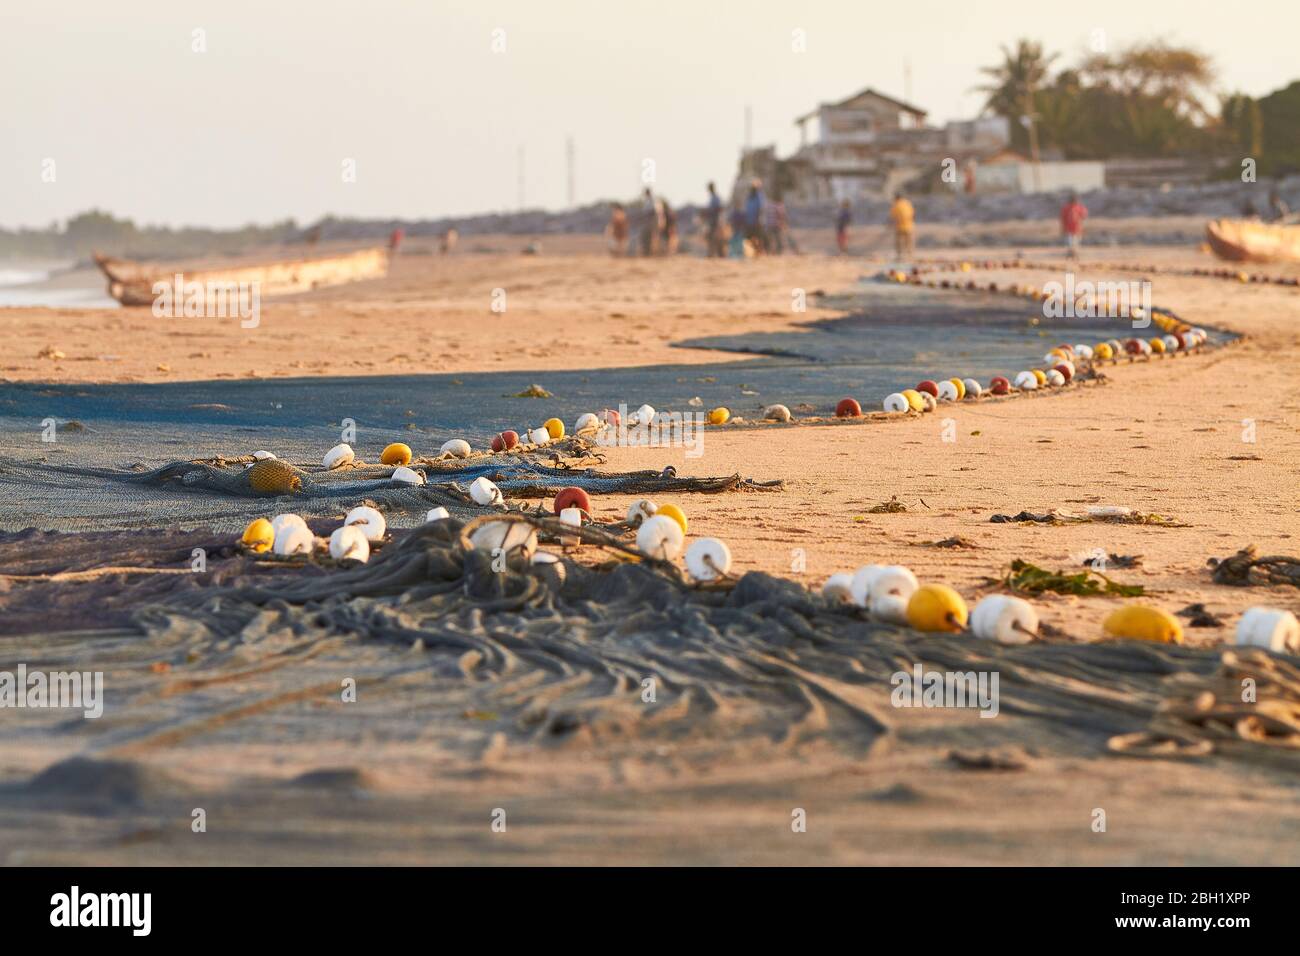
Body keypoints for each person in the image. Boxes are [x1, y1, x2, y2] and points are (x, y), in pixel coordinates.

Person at [1059, 192, 1088, 260]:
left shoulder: (1079, 207)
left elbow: (1084, 216)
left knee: (1075, 243)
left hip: (1077, 229)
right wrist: (1063, 228)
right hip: (1069, 229)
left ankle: (1074, 255)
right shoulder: (1066, 208)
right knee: (1070, 243)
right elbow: (1063, 219)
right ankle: (1071, 255)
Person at [889, 191, 915, 260]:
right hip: (909, 226)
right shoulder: (907, 203)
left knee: (899, 242)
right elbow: (912, 214)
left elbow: (893, 216)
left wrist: (890, 224)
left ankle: (900, 255)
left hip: (899, 226)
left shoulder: (896, 204)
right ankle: (910, 255)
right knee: (909, 241)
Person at [743, 179, 766, 254]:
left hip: (756, 221)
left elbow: (760, 209)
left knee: (758, 238)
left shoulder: (758, 196)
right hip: (750, 221)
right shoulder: (750, 197)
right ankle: (754, 252)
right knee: (750, 238)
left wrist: (758, 219)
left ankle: (759, 252)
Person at [704, 182, 725, 257]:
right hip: (712, 221)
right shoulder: (712, 198)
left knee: (717, 238)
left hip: (716, 221)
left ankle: (720, 254)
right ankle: (712, 254)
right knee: (711, 238)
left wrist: (715, 216)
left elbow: (719, 209)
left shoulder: (716, 198)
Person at [638, 188, 658, 256]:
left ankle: (652, 252)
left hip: (651, 220)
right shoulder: (646, 201)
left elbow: (653, 211)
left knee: (652, 236)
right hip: (647, 221)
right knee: (645, 236)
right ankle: (646, 252)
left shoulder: (652, 200)